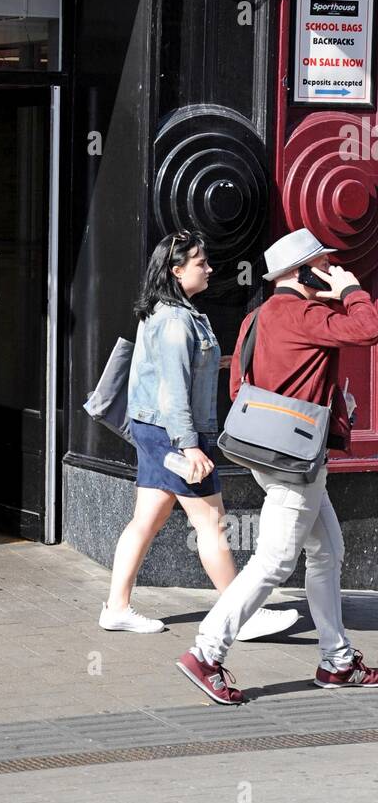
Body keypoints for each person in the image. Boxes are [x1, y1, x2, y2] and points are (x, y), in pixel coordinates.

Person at [177, 227, 378, 704]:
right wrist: (350, 289)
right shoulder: (304, 313)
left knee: (327, 551)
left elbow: (238, 386)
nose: (330, 268)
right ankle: (206, 652)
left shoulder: (258, 317)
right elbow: (369, 327)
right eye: (323, 263)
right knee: (273, 562)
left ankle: (337, 660)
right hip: (295, 460)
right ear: (302, 271)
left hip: (269, 452)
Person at [100, 229, 298, 640]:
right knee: (211, 521)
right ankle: (239, 616)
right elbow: (173, 388)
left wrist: (217, 364)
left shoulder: (169, 311)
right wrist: (190, 446)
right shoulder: (174, 320)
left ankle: (116, 608)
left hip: (155, 429)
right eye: (200, 263)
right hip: (174, 434)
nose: (209, 269)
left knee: (146, 520)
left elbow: (179, 372)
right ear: (176, 271)